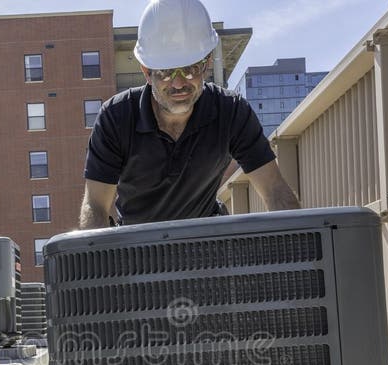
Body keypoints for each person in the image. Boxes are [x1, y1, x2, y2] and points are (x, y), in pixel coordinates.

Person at [80, 0, 300, 229]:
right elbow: (95, 205)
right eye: (165, 73)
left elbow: (275, 190)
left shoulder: (230, 112)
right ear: (147, 72)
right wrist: (92, 257)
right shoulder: (116, 118)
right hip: (138, 244)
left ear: (205, 65)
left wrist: (302, 249)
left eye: (190, 69)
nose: (178, 83)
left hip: (206, 242)